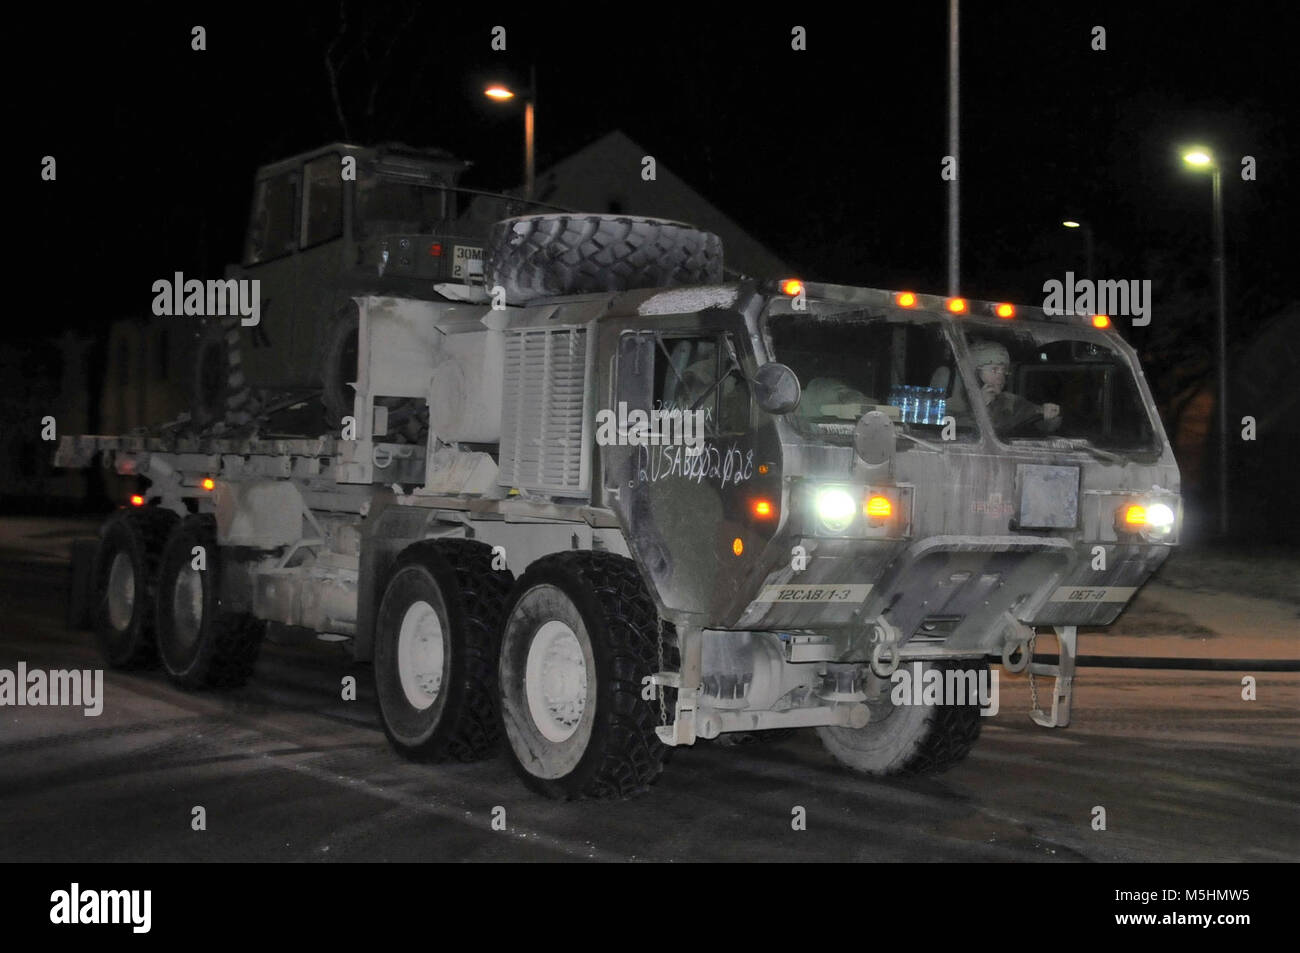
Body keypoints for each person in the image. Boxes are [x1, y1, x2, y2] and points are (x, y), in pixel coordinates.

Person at [952, 340, 1062, 434]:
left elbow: (1037, 422)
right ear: (974, 373)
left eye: (1003, 370)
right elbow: (956, 434)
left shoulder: (1010, 402)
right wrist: (980, 407)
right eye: (994, 370)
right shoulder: (954, 403)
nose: (1001, 377)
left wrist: (1047, 415)